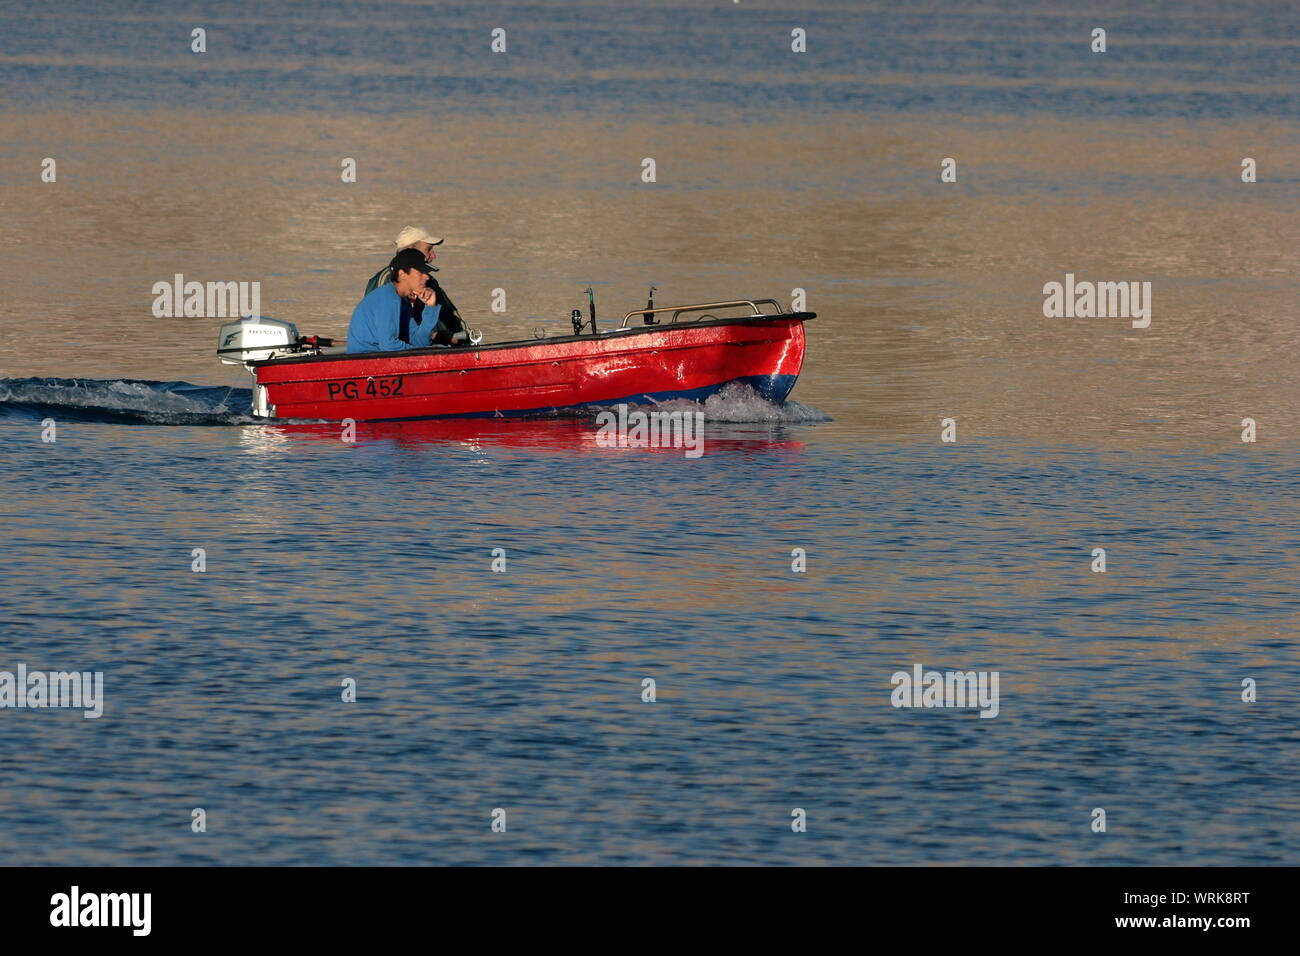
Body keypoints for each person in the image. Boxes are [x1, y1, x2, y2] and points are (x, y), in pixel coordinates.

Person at [347, 249, 446, 353]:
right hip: (366, 362)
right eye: (420, 272)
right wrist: (426, 351)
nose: (427, 277)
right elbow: (389, 346)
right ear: (402, 274)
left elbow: (419, 342)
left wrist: (430, 308)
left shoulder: (401, 301)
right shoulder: (388, 298)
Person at [364, 225, 443, 295]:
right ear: (409, 252)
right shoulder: (383, 283)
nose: (433, 256)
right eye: (428, 249)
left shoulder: (430, 282)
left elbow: (449, 310)